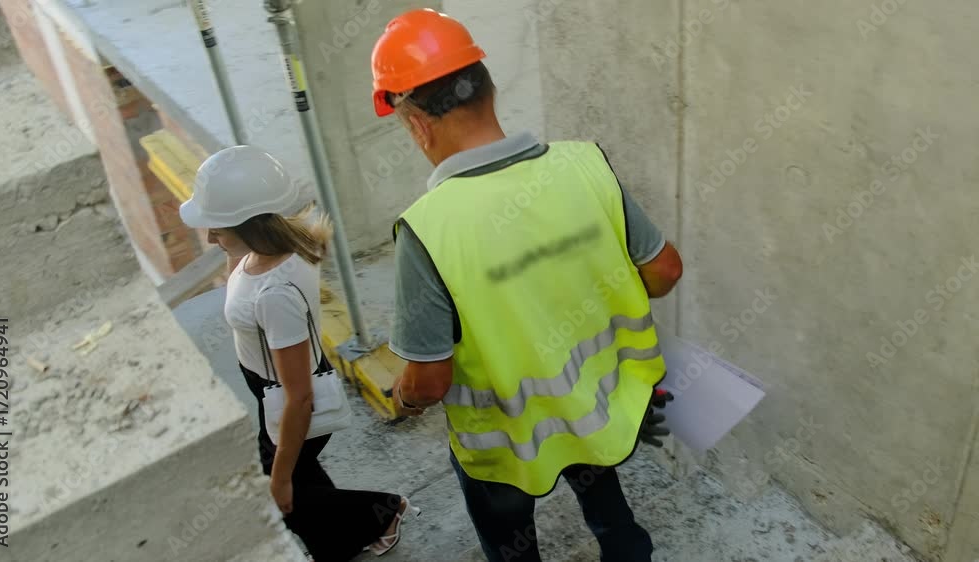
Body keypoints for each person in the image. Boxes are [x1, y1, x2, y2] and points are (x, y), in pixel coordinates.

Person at [371, 9, 683, 562]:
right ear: (489, 91)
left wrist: (401, 396)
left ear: (416, 123)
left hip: (507, 445)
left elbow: (430, 381)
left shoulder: (427, 231)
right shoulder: (586, 166)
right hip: (596, 405)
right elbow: (664, 272)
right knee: (608, 505)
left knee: (513, 547)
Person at [178, 145, 419, 561]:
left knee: (282, 489)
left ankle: (385, 512)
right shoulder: (277, 253)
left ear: (253, 226)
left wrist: (280, 480)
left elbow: (300, 397)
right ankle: (336, 542)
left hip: (285, 397)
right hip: (274, 386)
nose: (210, 236)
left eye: (218, 226)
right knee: (298, 476)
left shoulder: (276, 295)